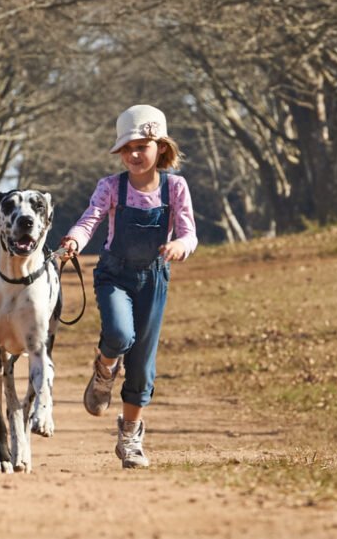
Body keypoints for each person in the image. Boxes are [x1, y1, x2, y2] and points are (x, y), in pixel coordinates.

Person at [59, 104, 198, 468]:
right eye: (127, 148)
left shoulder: (176, 187)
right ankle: (104, 371)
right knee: (120, 335)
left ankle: (130, 438)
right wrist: (74, 240)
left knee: (141, 365)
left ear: (161, 149)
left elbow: (188, 232)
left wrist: (181, 246)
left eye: (142, 146)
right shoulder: (111, 187)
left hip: (154, 279)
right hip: (114, 274)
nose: (134, 155)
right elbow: (90, 220)